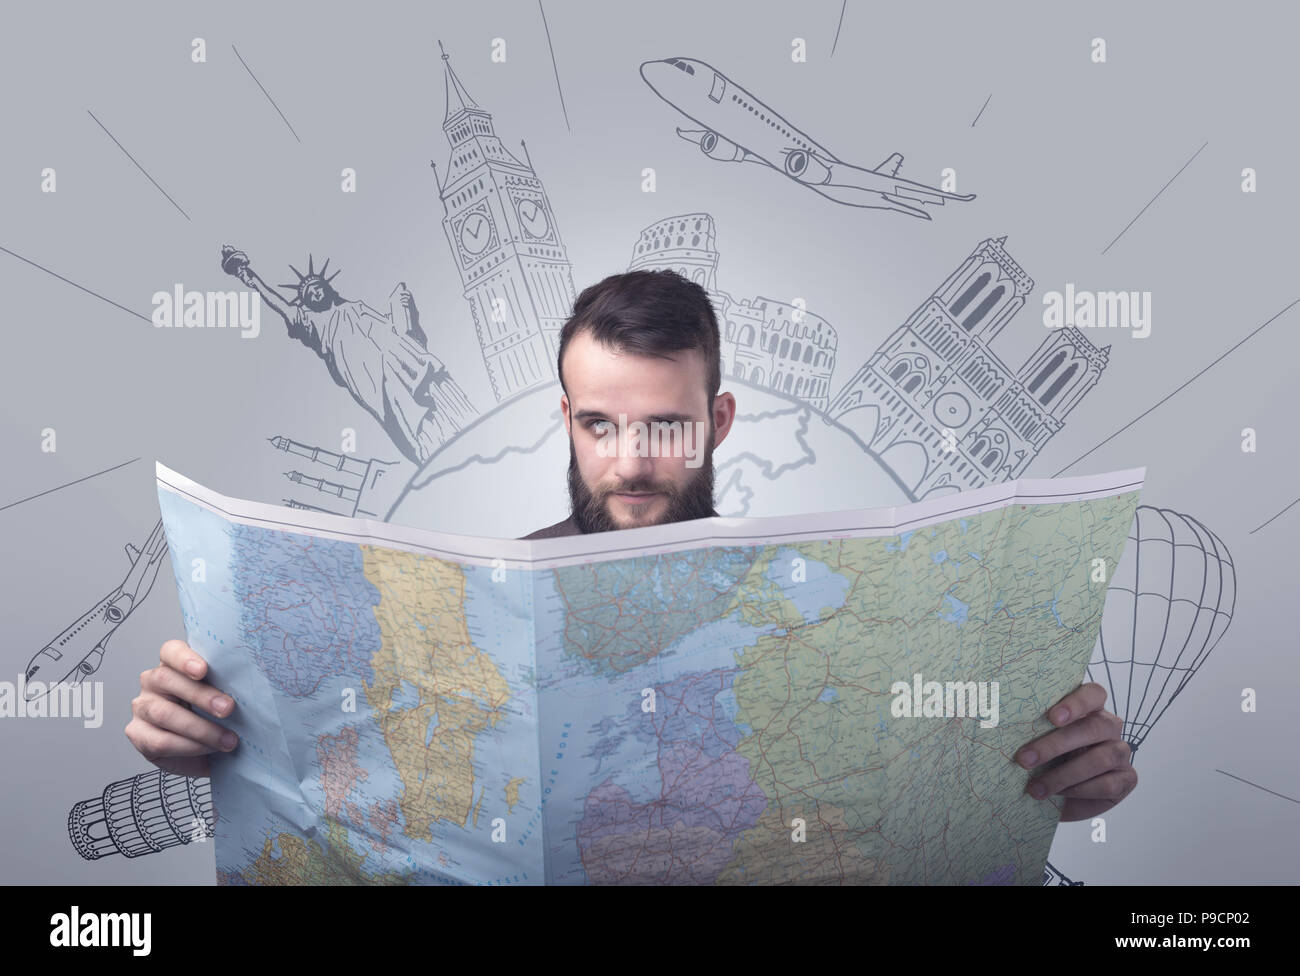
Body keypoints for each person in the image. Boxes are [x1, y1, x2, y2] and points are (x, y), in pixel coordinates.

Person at [126, 269, 1137, 824]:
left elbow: (927, 788)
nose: (633, 461)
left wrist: (1065, 782)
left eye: (666, 424)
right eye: (601, 424)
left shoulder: (830, 601)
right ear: (566, 419)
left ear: (720, 419)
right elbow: (353, 782)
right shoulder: (466, 606)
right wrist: (213, 733)